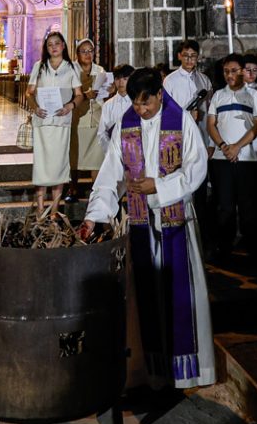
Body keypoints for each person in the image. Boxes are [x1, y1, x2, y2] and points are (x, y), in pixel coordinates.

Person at [80, 68, 216, 389]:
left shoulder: (180, 120)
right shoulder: (126, 124)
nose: (141, 110)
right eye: (136, 104)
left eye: (146, 103)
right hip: (141, 224)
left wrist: (161, 186)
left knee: (180, 295)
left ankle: (188, 371)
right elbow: (111, 172)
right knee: (147, 298)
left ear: (159, 94)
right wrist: (95, 215)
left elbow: (197, 168)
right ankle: (153, 372)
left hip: (176, 218)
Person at [204, 54, 257, 257]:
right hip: (222, 159)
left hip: (246, 157)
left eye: (234, 71)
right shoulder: (218, 96)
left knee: (248, 204)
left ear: (242, 71)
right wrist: (223, 145)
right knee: (225, 205)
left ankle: (251, 245)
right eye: (226, 71)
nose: (229, 75)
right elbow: (211, 124)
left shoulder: (253, 95)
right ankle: (225, 246)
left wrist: (238, 146)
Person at [26, 31, 82, 213]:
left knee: (59, 165)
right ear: (46, 48)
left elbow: (79, 95)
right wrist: (34, 107)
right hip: (43, 123)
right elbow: (29, 92)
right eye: (50, 45)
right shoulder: (39, 67)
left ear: (63, 45)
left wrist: (70, 106)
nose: (54, 47)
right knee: (42, 165)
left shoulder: (72, 67)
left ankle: (55, 212)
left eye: (57, 43)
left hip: (61, 121)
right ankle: (41, 210)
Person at [73, 38, 111, 194]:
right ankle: (72, 189)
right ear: (77, 53)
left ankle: (95, 190)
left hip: (96, 116)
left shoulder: (100, 70)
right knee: (75, 155)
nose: (88, 54)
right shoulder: (71, 70)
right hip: (78, 117)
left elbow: (105, 93)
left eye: (91, 51)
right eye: (84, 51)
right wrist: (83, 94)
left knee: (96, 157)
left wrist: (109, 90)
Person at [163, 40, 212, 127]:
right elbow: (166, 109)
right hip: (180, 127)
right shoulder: (170, 80)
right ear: (179, 56)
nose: (189, 59)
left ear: (198, 57)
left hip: (201, 128)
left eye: (193, 56)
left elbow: (210, 106)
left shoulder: (205, 80)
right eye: (185, 55)